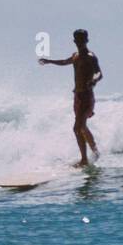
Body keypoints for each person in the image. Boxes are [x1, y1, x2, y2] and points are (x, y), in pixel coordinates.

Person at [39, 29, 103, 166]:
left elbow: (99, 73)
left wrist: (94, 80)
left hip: (87, 96)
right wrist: (49, 61)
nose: (80, 42)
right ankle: (96, 152)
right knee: (82, 127)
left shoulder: (91, 57)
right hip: (77, 96)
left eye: (82, 40)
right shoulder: (75, 56)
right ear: (74, 41)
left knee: (77, 128)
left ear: (87, 40)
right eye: (78, 40)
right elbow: (64, 62)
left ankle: (84, 160)